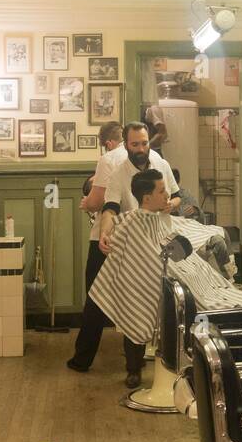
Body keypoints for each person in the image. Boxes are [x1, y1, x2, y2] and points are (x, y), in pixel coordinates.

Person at [78, 170, 171, 391]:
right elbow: (112, 222)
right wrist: (106, 236)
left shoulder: (160, 219)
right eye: (162, 190)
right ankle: (134, 368)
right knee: (135, 310)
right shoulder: (130, 220)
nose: (167, 194)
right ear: (147, 198)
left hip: (160, 280)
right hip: (137, 284)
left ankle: (168, 368)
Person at [95, 123, 180, 253]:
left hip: (164, 233)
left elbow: (177, 197)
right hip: (135, 239)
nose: (141, 149)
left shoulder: (162, 164)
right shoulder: (117, 175)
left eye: (144, 143)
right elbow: (110, 209)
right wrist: (104, 233)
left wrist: (171, 205)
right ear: (125, 145)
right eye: (135, 145)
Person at [77, 121, 125, 294]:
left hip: (108, 233)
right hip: (138, 234)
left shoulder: (109, 158)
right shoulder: (151, 157)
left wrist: (87, 203)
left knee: (95, 291)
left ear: (108, 143)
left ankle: (95, 322)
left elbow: (96, 202)